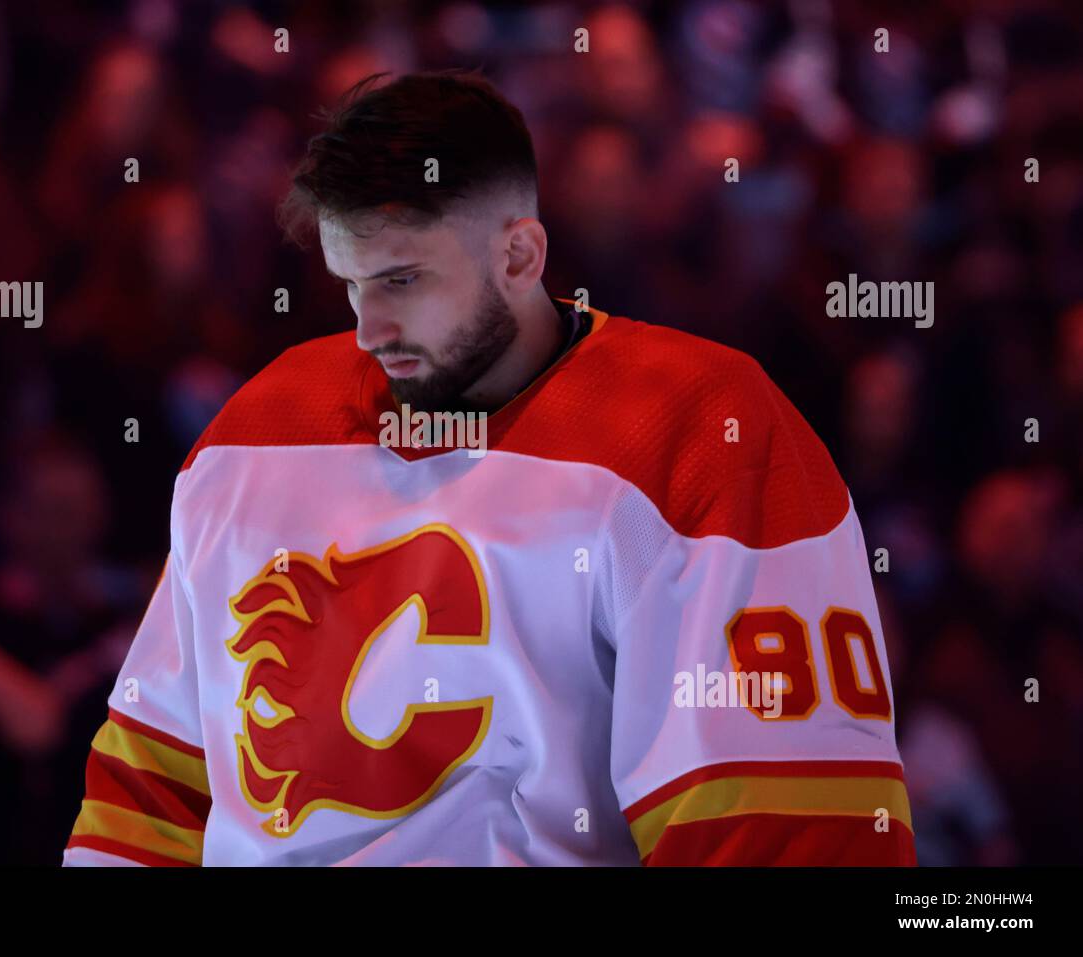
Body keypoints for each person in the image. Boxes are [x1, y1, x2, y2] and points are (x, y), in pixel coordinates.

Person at [63, 69, 915, 866]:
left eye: (401, 278)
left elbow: (785, 836)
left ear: (519, 256)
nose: (370, 329)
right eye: (352, 284)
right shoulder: (257, 430)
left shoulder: (699, 428)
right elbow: (149, 792)